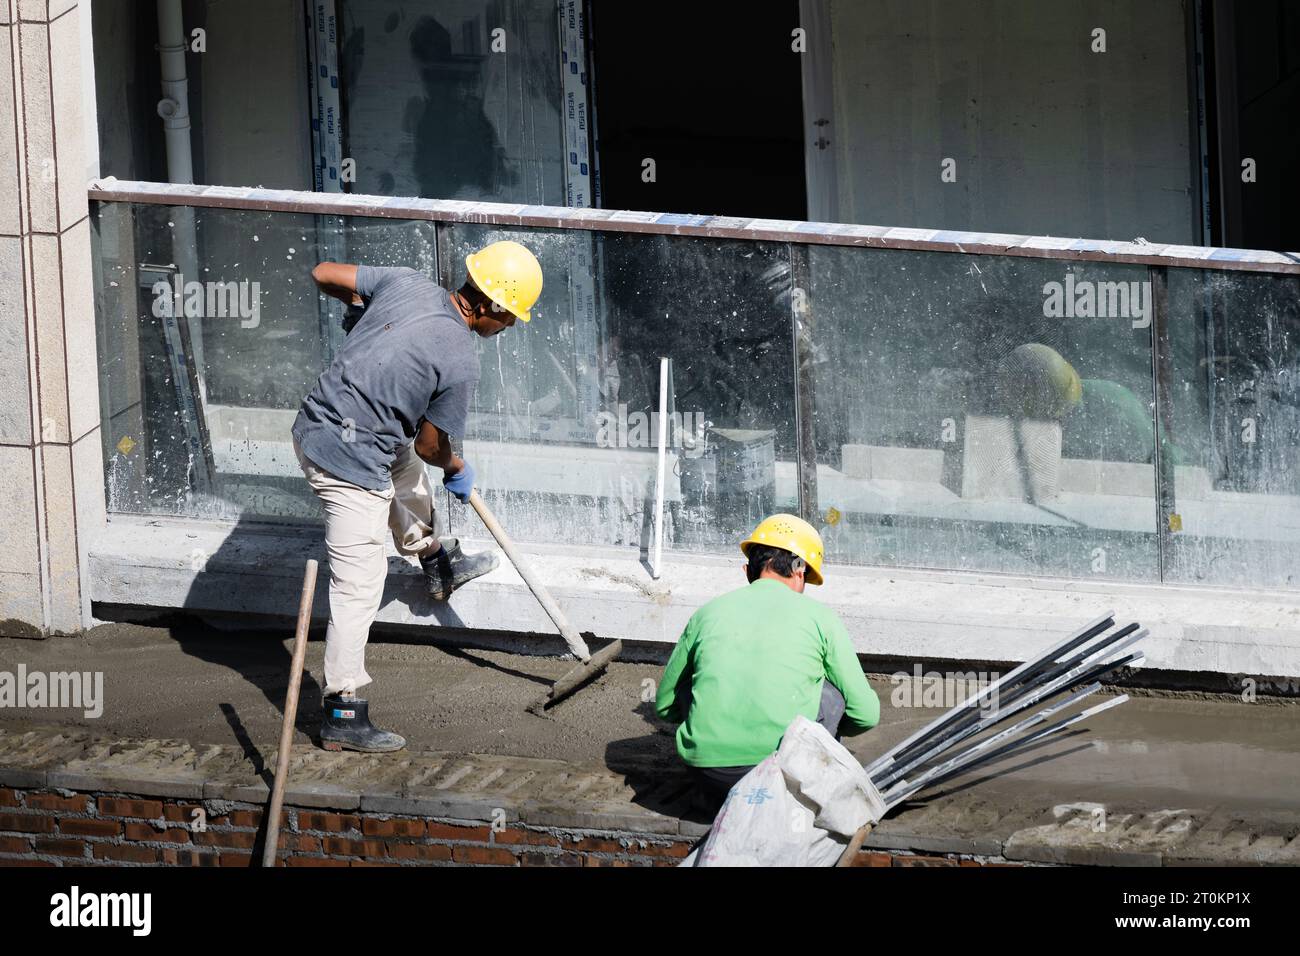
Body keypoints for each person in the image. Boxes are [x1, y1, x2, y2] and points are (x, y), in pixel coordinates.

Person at [291, 240, 543, 752]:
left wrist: (361, 307)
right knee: (359, 583)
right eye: (511, 317)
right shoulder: (459, 360)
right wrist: (456, 466)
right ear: (491, 305)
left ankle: (435, 560)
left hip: (325, 425)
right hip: (344, 461)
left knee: (403, 473)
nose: (511, 327)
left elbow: (322, 271)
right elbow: (432, 445)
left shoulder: (406, 282)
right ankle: (343, 709)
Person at [655, 514, 880, 808]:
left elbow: (664, 705)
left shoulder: (707, 613)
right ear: (799, 570)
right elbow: (866, 714)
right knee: (831, 695)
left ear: (748, 569)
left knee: (691, 684)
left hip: (711, 779)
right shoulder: (820, 618)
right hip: (787, 780)